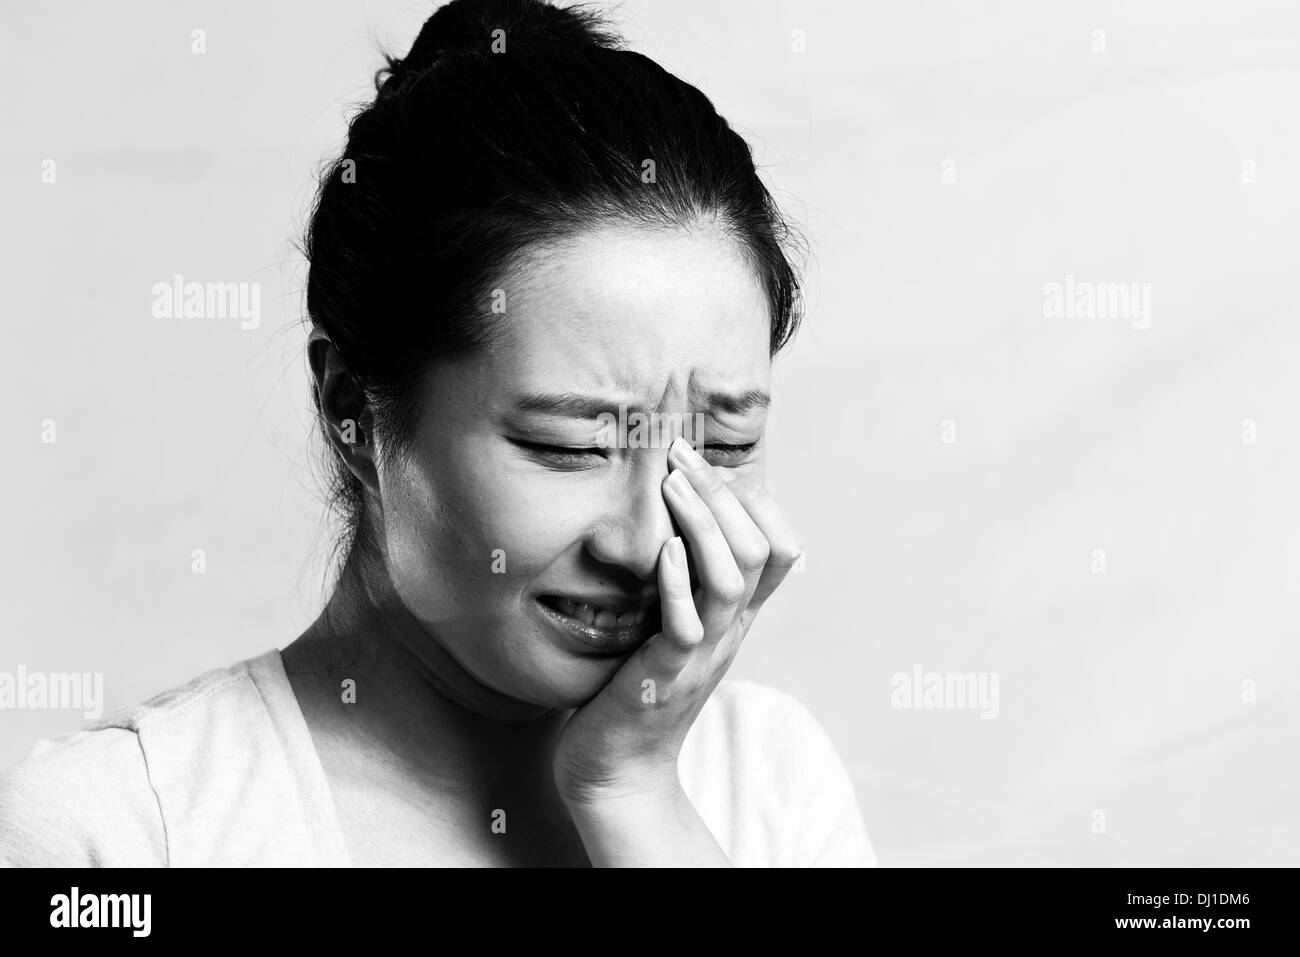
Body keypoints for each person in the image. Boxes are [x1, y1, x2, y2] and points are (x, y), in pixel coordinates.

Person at [0, 0, 875, 867]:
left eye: (720, 446)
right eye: (570, 445)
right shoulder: (116, 831)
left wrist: (634, 795)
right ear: (354, 410)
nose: (649, 540)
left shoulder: (770, 784)